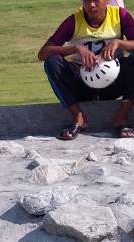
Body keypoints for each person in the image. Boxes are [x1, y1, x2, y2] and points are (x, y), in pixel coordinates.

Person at [39, 0, 134, 139]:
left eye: (96, 0)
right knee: (51, 62)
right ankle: (78, 117)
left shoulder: (120, 16)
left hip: (113, 81)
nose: (91, 5)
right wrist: (75, 48)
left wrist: (119, 42)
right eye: (87, 1)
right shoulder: (73, 21)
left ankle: (122, 116)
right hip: (83, 83)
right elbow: (43, 53)